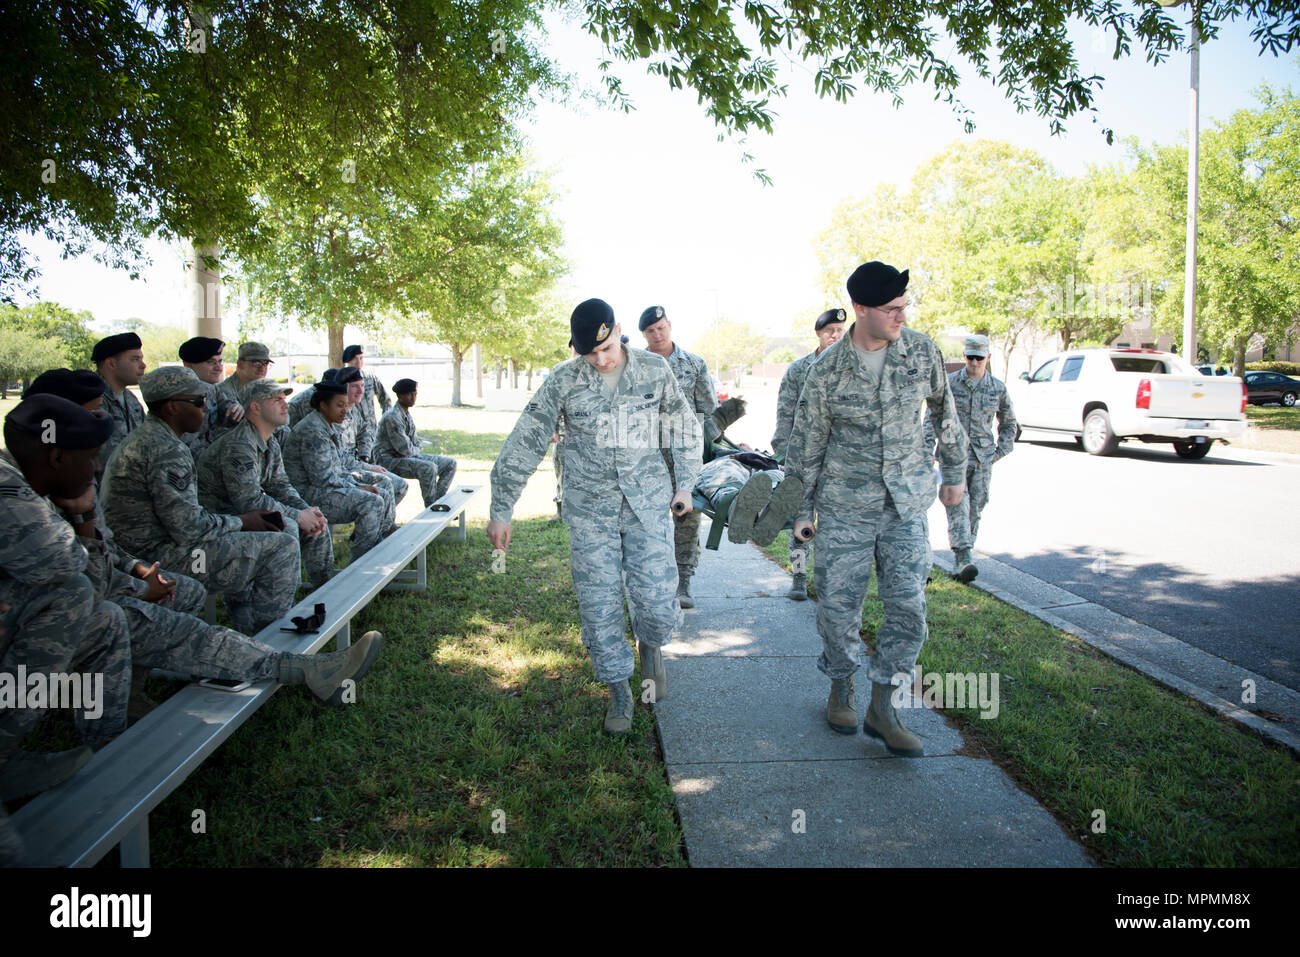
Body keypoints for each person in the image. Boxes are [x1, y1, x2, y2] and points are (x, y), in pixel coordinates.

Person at [489, 299, 702, 734]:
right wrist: (501, 508)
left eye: (608, 348)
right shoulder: (564, 380)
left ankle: (651, 647)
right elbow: (526, 439)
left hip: (646, 506)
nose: (602, 360)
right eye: (591, 354)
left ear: (619, 331)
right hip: (591, 512)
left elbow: (683, 428)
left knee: (659, 603)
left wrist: (684, 485)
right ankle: (620, 693)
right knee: (600, 606)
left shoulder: (654, 371)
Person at [786, 261, 967, 757]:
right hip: (845, 507)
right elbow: (806, 448)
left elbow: (944, 413)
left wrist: (954, 473)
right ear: (861, 309)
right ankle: (842, 684)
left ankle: (883, 706)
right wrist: (802, 512)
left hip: (905, 504)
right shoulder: (825, 373)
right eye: (891, 309)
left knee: (909, 606)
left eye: (904, 307)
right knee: (839, 608)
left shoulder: (922, 351)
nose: (901, 316)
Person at [101, 367, 302, 637]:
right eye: (198, 401)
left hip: (153, 548)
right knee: (282, 548)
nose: (206, 408)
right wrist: (241, 522)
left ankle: (247, 629)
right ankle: (268, 642)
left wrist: (242, 525)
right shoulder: (165, 449)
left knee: (256, 539)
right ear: (172, 407)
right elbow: (189, 529)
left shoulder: (154, 439)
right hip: (160, 558)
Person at [1, 395, 131, 799]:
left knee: (106, 620)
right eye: (90, 457)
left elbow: (99, 597)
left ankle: (103, 748)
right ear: (56, 458)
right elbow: (74, 574)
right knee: (70, 597)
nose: (95, 468)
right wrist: (82, 515)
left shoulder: (24, 481)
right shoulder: (8, 492)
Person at [198, 379, 335, 589]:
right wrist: (297, 516)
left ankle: (324, 591)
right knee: (287, 526)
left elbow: (279, 484)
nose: (285, 404)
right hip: (222, 522)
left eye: (285, 399)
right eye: (277, 399)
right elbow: (249, 501)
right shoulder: (240, 445)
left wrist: (305, 510)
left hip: (246, 515)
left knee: (317, 521)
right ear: (255, 407)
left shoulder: (269, 440)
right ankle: (277, 609)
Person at [639, 305, 718, 609]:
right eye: (650, 331)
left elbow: (708, 412)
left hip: (686, 456)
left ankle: (684, 583)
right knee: (649, 521)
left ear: (669, 325)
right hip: (648, 458)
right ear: (643, 334)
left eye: (661, 328)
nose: (657, 335)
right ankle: (657, 581)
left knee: (687, 519)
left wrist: (717, 447)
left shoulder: (695, 364)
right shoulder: (636, 364)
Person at [771, 308, 847, 601]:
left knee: (836, 525)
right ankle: (799, 577)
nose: (836, 336)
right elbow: (785, 414)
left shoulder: (852, 367)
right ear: (818, 334)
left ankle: (830, 580)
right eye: (830, 331)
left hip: (839, 460)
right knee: (800, 525)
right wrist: (783, 453)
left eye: (840, 331)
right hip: (802, 459)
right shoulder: (798, 370)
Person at [282, 375, 395, 562]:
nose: (345, 411)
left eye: (345, 405)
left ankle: (377, 550)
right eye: (339, 405)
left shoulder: (326, 425)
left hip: (323, 487)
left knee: (380, 493)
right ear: (323, 406)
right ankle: (360, 566)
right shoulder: (313, 431)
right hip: (308, 494)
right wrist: (357, 488)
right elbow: (323, 478)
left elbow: (339, 466)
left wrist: (356, 483)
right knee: (371, 502)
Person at [937, 334, 1017, 583]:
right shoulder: (949, 384)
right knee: (958, 506)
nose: (974, 362)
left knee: (976, 509)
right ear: (964, 357)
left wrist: (1000, 452)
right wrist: (928, 448)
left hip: (983, 459)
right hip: (953, 458)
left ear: (988, 358)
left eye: (979, 358)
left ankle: (964, 559)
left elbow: (1010, 422)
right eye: (970, 357)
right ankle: (963, 556)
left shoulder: (997, 388)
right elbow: (934, 417)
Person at [374, 379, 457, 507]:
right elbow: (405, 449)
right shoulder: (392, 417)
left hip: (404, 456)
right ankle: (431, 507)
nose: (413, 397)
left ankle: (438, 501)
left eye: (415, 393)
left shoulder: (406, 414)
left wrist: (412, 450)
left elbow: (414, 444)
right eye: (410, 394)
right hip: (387, 461)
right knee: (428, 468)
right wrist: (410, 450)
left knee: (450, 464)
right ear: (400, 395)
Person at [336, 366, 408, 508]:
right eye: (355, 386)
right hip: (342, 472)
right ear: (343, 388)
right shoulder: (336, 415)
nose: (361, 391)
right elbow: (341, 458)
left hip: (357, 464)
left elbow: (364, 432)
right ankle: (381, 527)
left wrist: (364, 457)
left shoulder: (354, 410)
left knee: (401, 486)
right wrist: (367, 466)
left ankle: (382, 526)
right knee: (384, 485)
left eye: (362, 386)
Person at [90, 332, 146, 479]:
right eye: (135, 359)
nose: (143, 365)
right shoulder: (90, 398)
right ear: (111, 364)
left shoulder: (132, 400)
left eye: (141, 359)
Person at [178, 336, 240, 462]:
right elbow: (186, 446)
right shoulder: (179, 397)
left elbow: (227, 404)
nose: (218, 367)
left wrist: (236, 408)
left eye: (220, 361)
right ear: (188, 366)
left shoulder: (212, 389)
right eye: (211, 362)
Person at [341, 344, 390, 460]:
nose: (358, 362)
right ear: (347, 361)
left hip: (372, 433)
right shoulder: (341, 380)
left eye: (361, 358)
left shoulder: (370, 378)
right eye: (355, 359)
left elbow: (385, 400)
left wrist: (385, 423)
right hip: (351, 434)